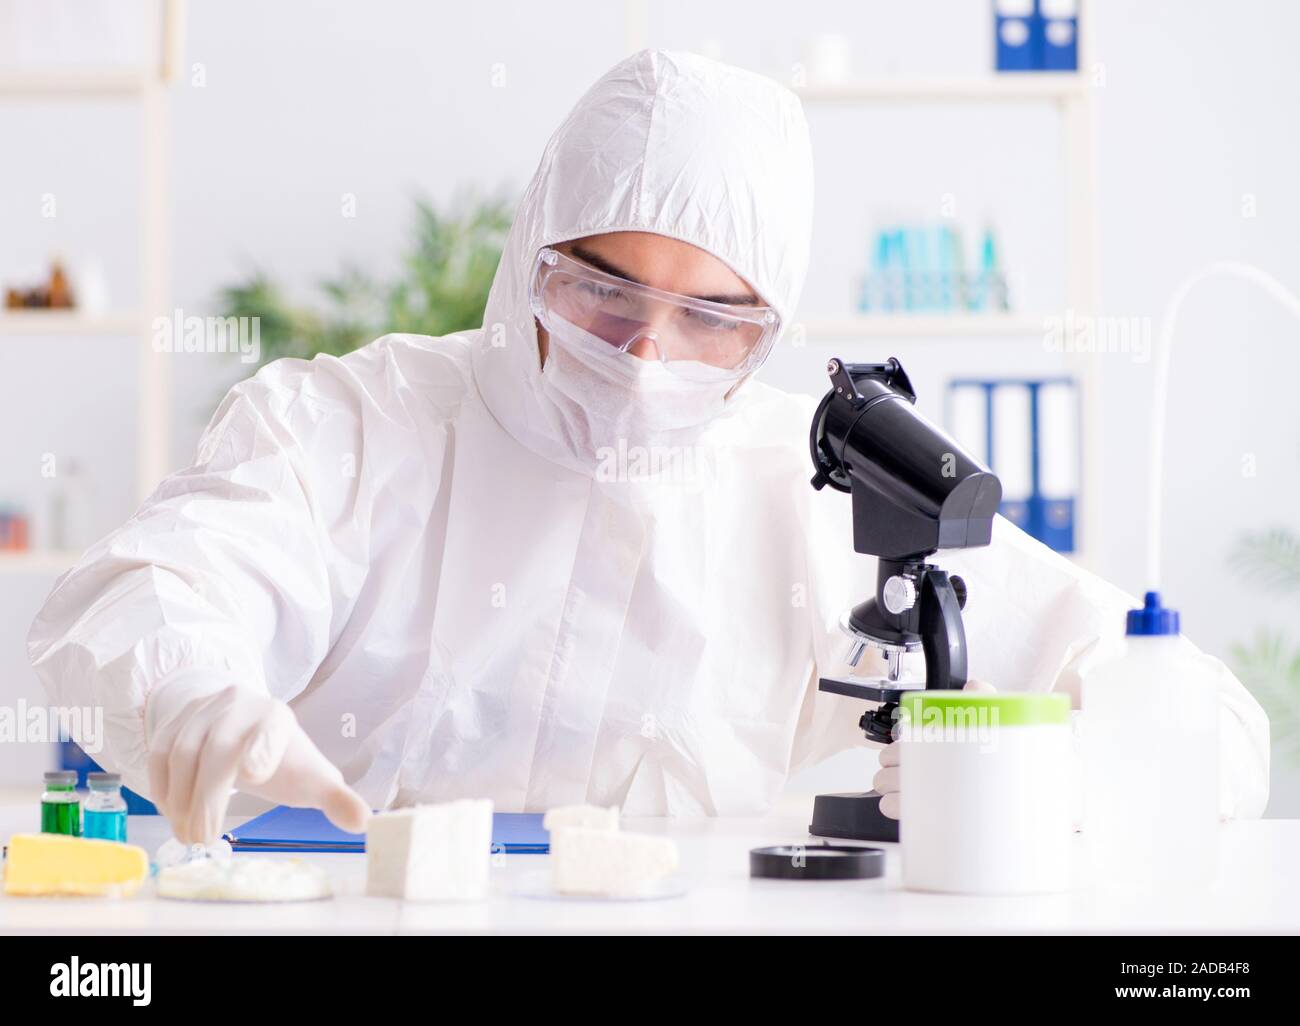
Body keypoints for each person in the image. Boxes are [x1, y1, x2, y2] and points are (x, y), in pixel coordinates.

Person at [27, 51, 1268, 845]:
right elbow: (145, 594)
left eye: (713, 319)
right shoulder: (357, 425)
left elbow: (1195, 712)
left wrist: (1066, 786)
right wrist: (188, 686)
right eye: (603, 294)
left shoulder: (818, 490)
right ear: (532, 260)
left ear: (772, 330)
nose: (646, 353)